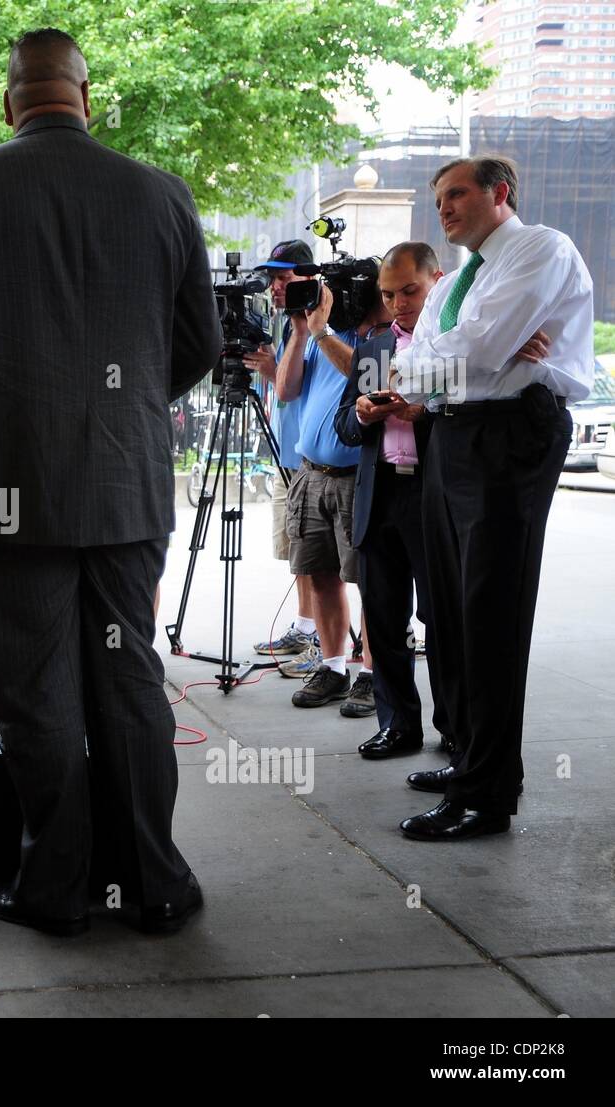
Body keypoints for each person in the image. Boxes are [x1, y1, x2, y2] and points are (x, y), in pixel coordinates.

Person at [0, 29, 221, 936]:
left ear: (9, 103)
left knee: (37, 692)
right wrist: (115, 415)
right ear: (87, 95)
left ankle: (59, 888)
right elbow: (197, 343)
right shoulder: (161, 194)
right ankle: (155, 879)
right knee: (128, 680)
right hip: (123, 486)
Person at [391, 155, 593, 841]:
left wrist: (474, 352)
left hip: (512, 435)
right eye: (439, 199)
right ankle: (467, 757)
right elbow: (418, 366)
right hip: (455, 432)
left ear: (498, 193)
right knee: (450, 608)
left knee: (491, 614)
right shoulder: (455, 279)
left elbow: (474, 351)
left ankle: (488, 795)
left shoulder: (540, 249)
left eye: (456, 195)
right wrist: (471, 352)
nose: (444, 209)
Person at [334, 243, 452, 761]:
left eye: (410, 291)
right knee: (382, 621)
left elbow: (471, 423)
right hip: (379, 495)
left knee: (442, 620)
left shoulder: (456, 345)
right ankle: (398, 725)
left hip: (432, 496)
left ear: (436, 280)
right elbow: (343, 424)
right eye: (388, 294)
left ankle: (454, 728)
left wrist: (425, 411)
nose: (399, 303)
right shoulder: (373, 348)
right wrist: (363, 413)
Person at [276, 265, 390, 713]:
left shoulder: (382, 336)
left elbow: (367, 381)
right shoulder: (322, 333)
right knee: (321, 575)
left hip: (358, 479)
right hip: (311, 474)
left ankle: (370, 673)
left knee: (370, 581)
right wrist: (302, 332)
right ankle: (334, 666)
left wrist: (322, 333)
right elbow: (285, 390)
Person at [244, 240, 320, 674]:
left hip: (305, 457)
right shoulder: (293, 326)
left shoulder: (315, 326)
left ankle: (318, 637)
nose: (274, 287)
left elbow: (293, 389)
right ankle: (304, 624)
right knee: (298, 552)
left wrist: (272, 369)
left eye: (284, 278)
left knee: (313, 553)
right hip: (287, 452)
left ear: (308, 277)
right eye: (272, 279)